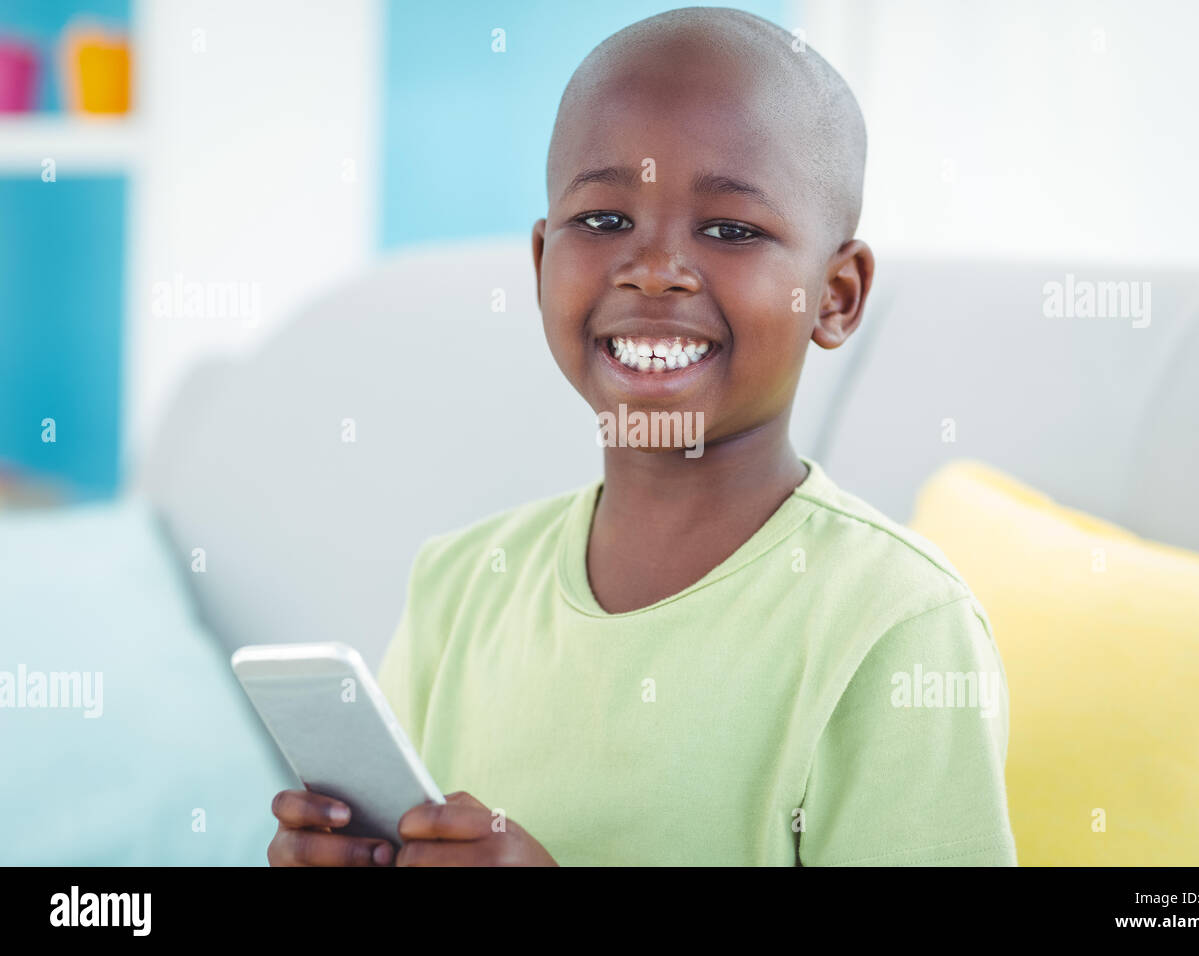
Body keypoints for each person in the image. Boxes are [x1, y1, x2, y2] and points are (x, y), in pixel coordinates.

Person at [268, 5, 1016, 867]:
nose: (654, 269)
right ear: (543, 261)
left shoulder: (898, 624)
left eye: (731, 230)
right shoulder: (459, 584)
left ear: (837, 296)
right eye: (604, 221)